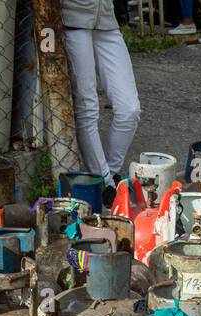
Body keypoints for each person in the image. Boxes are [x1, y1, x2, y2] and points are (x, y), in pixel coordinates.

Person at [62, 0, 142, 191]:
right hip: (72, 19)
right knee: (87, 107)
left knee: (130, 109)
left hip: (106, 19)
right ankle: (105, 184)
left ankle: (109, 176)